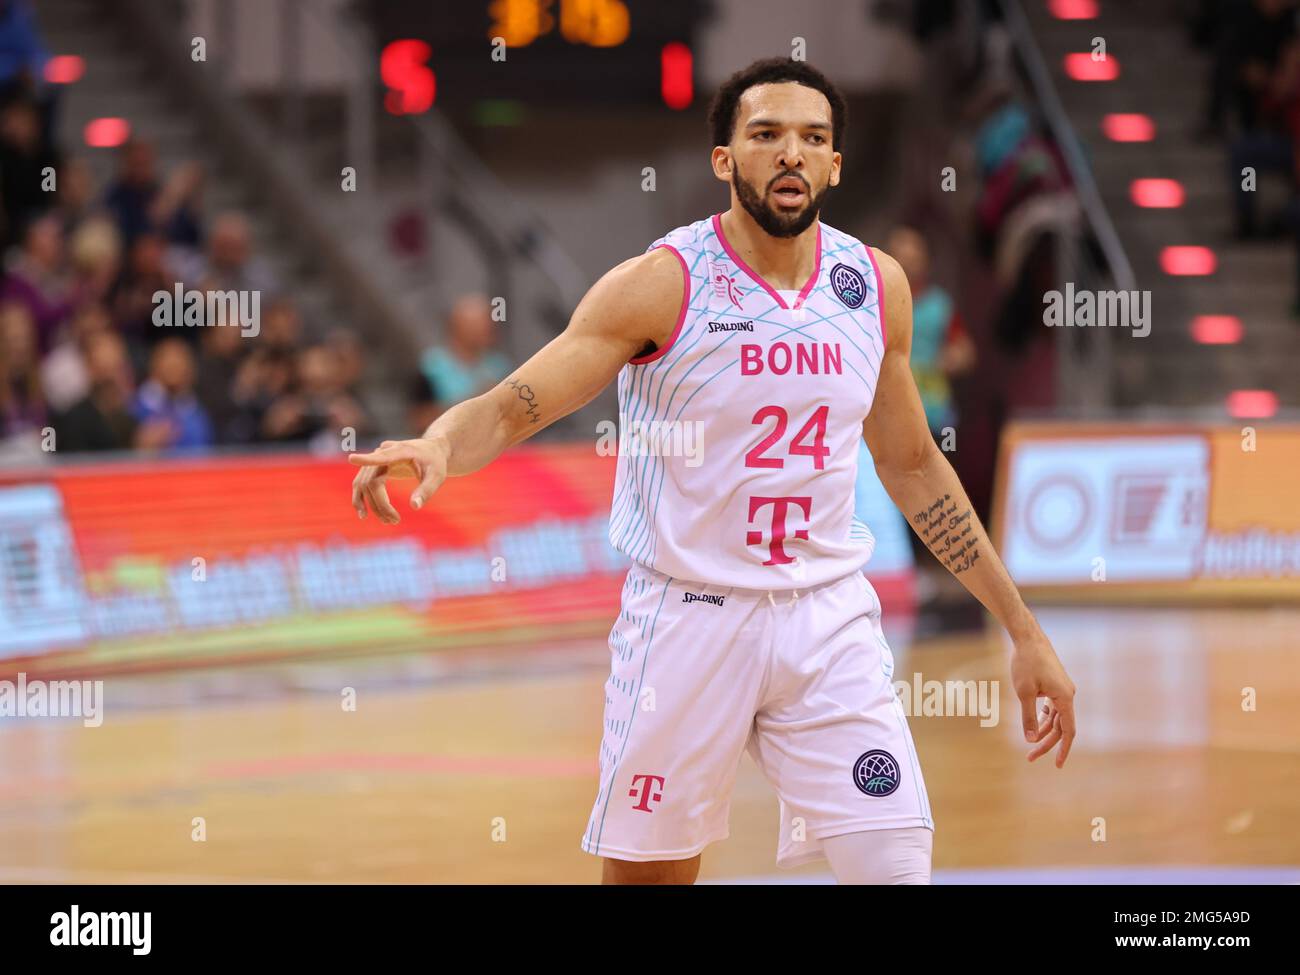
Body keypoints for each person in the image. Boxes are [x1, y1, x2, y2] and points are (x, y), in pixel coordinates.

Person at [348, 58, 1076, 886]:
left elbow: (913, 466)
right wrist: (440, 443)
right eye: (765, 135)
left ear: (836, 164)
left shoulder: (875, 287)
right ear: (725, 159)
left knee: (895, 863)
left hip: (826, 614)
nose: (790, 154)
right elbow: (519, 402)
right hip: (689, 616)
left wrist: (1023, 628)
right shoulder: (664, 284)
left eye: (813, 139)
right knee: (651, 878)